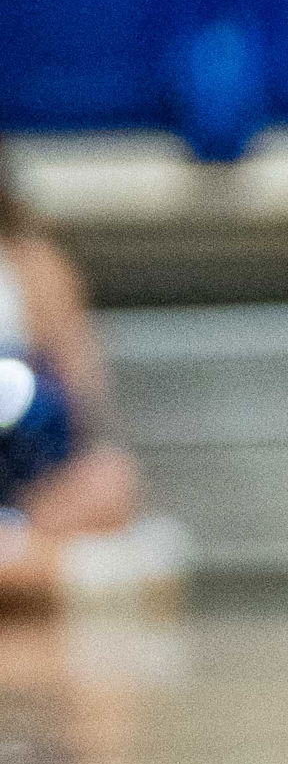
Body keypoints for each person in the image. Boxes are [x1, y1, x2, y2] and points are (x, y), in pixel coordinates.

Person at [0, 149, 182, 609]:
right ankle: (45, 575)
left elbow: (83, 409)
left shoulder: (37, 267)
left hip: (26, 504)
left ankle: (29, 569)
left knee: (112, 480)